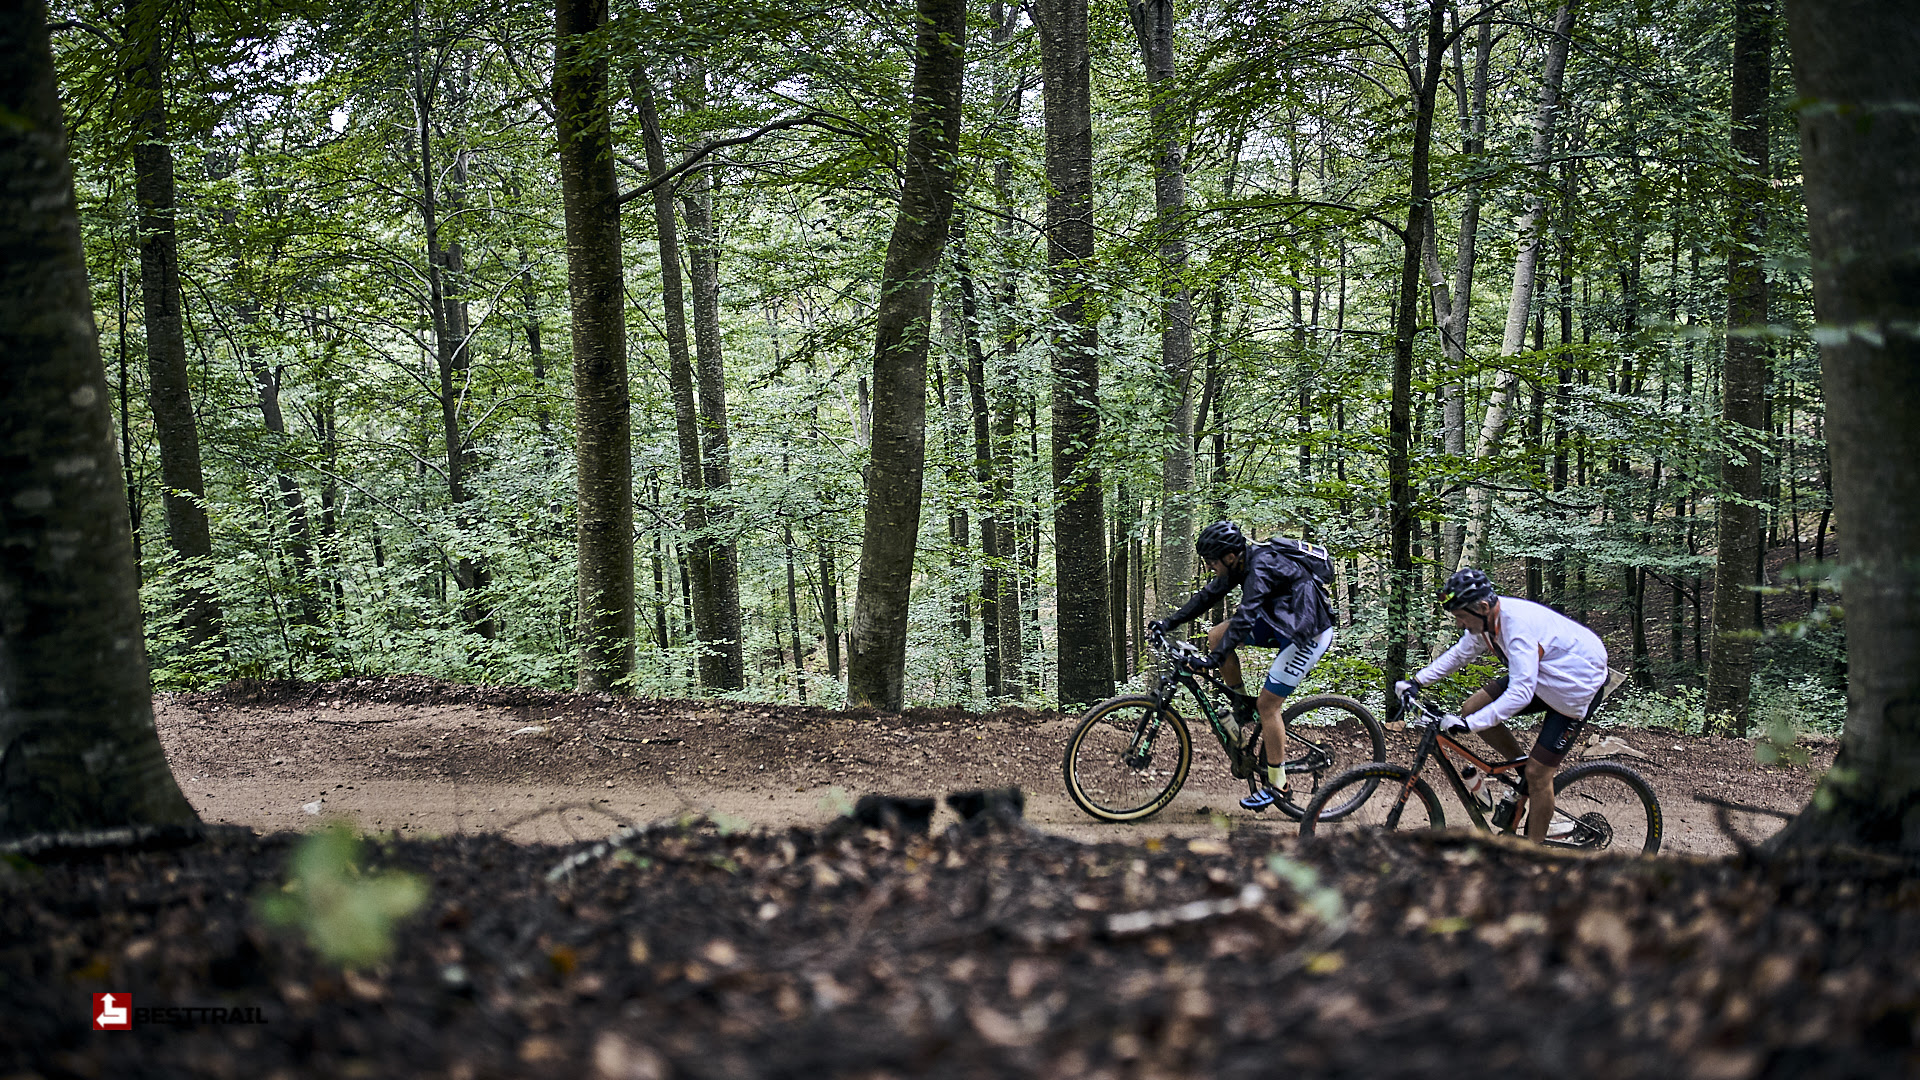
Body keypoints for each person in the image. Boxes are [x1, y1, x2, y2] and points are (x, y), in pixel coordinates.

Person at [1396, 567, 1610, 842]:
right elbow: (1460, 654)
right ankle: (1522, 775)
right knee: (1471, 707)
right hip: (1544, 674)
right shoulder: (1486, 621)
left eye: (1461, 616)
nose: (1460, 623)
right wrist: (1417, 681)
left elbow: (1521, 692)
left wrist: (1469, 726)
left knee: (1539, 774)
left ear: (1483, 607)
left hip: (1574, 689)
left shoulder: (1517, 630)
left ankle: (1531, 855)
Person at [1150, 520, 1336, 811]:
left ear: (1229, 556)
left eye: (1212, 562)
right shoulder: (1241, 563)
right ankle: (1239, 704)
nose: (1210, 567)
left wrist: (1215, 659)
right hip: (1284, 619)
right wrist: (1168, 623)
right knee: (1216, 635)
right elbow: (1208, 596)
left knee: (1268, 705)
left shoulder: (1259, 568)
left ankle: (1279, 785)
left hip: (1308, 632)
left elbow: (1247, 616)